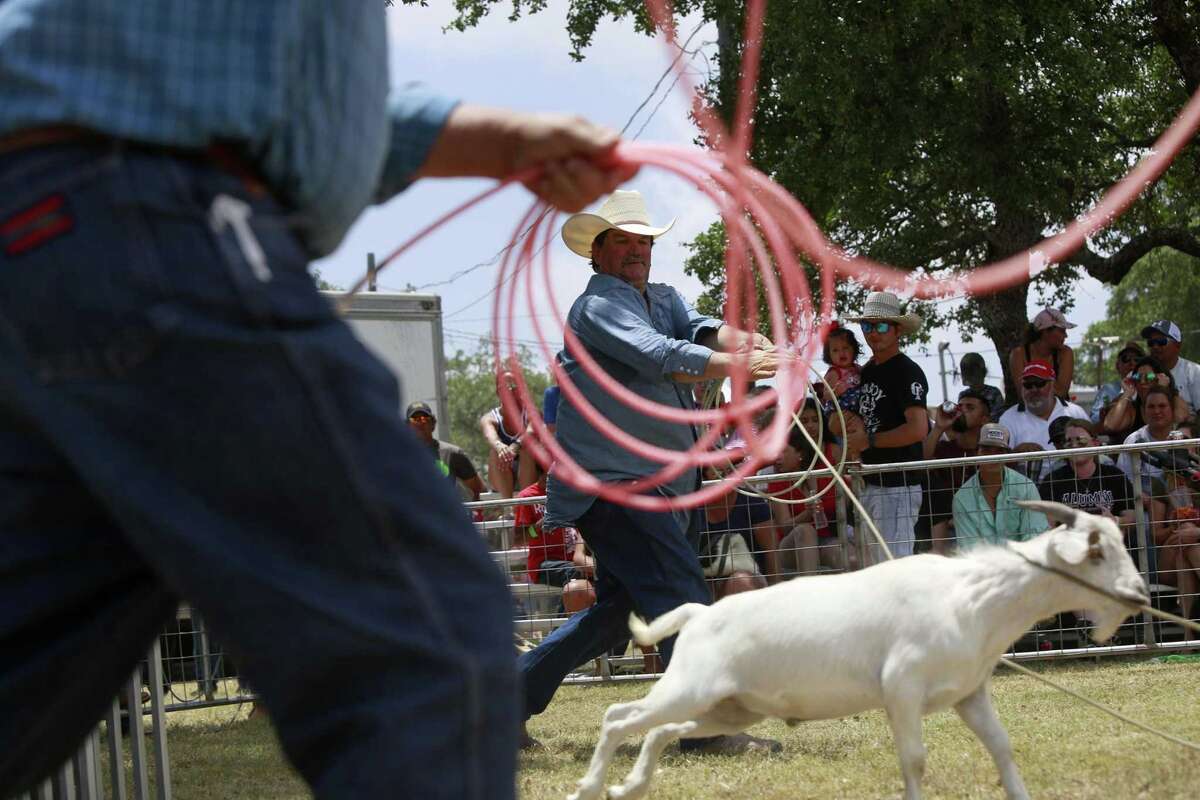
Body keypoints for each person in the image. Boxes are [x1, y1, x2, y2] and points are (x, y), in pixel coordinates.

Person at [0, 4, 642, 796]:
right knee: (423, 627)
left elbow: (285, 97)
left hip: (50, 224)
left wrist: (504, 141)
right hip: (152, 216)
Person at [517, 190, 781, 755]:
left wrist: (750, 344)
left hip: (655, 486)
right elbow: (660, 353)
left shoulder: (661, 298)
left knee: (620, 615)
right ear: (599, 253)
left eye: (644, 242)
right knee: (684, 595)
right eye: (624, 242)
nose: (637, 251)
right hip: (620, 485)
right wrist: (738, 364)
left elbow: (702, 329)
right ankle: (703, 727)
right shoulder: (599, 308)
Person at [841, 291, 930, 563]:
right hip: (869, 482)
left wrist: (869, 441)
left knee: (894, 565)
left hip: (896, 483)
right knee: (877, 568)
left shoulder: (907, 371)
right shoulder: (865, 372)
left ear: (897, 330)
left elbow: (918, 429)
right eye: (867, 326)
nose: (873, 333)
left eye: (881, 326)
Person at [770, 406, 847, 573]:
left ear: (800, 454)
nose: (777, 457)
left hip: (824, 540)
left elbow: (845, 502)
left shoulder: (819, 474)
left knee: (848, 557)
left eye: (783, 451)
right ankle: (808, 592)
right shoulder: (776, 482)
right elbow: (784, 527)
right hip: (790, 544)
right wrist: (807, 514)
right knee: (806, 531)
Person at [951, 424, 1050, 549]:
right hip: (981, 566)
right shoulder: (962, 498)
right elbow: (970, 549)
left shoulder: (1026, 487)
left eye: (999, 451)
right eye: (986, 450)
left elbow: (1035, 537)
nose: (993, 456)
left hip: (1023, 563)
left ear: (1007, 455)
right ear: (977, 452)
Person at [921, 389, 991, 554]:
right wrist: (938, 428)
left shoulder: (992, 452)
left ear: (984, 419)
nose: (962, 411)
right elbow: (922, 462)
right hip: (946, 531)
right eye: (960, 406)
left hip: (984, 528)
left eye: (970, 407)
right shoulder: (944, 449)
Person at [997, 360, 1089, 478]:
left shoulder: (1074, 412)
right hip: (1028, 487)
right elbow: (998, 463)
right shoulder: (1009, 418)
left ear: (1053, 385)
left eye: (1040, 383)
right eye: (1028, 385)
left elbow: (1094, 448)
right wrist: (1017, 453)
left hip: (1073, 483)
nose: (1034, 390)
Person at [407, 401, 486, 501]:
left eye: (425, 419)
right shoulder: (398, 457)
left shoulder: (452, 453)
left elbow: (479, 489)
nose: (421, 423)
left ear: (433, 423)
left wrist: (478, 513)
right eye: (415, 419)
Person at [1101, 354, 1189, 439]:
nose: (1142, 382)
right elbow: (1110, 426)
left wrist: (1162, 390)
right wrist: (1127, 393)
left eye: (1149, 377)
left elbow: (1180, 418)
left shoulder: (1174, 401)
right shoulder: (1133, 409)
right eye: (1137, 377)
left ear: (1160, 378)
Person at [480, 370, 537, 498]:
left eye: (513, 386)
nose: (509, 391)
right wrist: (501, 447)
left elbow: (531, 431)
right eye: (504, 387)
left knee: (526, 448)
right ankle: (508, 507)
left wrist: (515, 446)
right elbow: (490, 435)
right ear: (498, 392)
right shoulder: (490, 418)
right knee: (496, 452)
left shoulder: (531, 413)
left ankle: (524, 503)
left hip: (529, 472)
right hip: (501, 473)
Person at [1008, 307, 1076, 401]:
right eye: (1061, 331)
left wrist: (1034, 386)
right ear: (1045, 331)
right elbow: (1022, 394)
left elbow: (1062, 393)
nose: (1066, 336)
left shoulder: (1065, 353)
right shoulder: (1018, 354)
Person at [1142, 319, 1200, 414]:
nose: (1155, 346)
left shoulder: (1194, 372)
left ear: (1178, 345)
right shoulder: (1140, 373)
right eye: (1151, 343)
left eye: (1161, 341)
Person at [1090, 341, 1144, 428]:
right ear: (1117, 366)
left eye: (1137, 359)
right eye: (1126, 359)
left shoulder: (1149, 386)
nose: (1132, 363)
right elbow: (1094, 419)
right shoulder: (1108, 390)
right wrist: (1107, 413)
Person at [959, 352, 1006, 420]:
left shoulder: (994, 393)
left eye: (973, 372)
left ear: (983, 372)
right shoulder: (963, 395)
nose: (970, 376)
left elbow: (998, 417)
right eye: (967, 373)